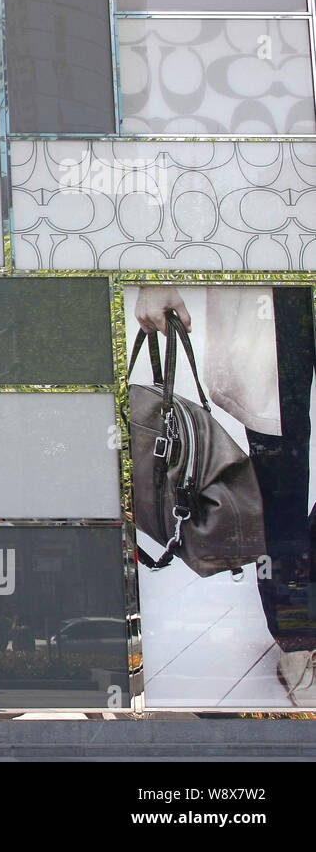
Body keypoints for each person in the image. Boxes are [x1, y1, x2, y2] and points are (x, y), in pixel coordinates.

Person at [134, 285, 316, 704]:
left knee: (282, 492)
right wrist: (155, 275)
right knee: (280, 483)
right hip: (276, 289)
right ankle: (298, 640)